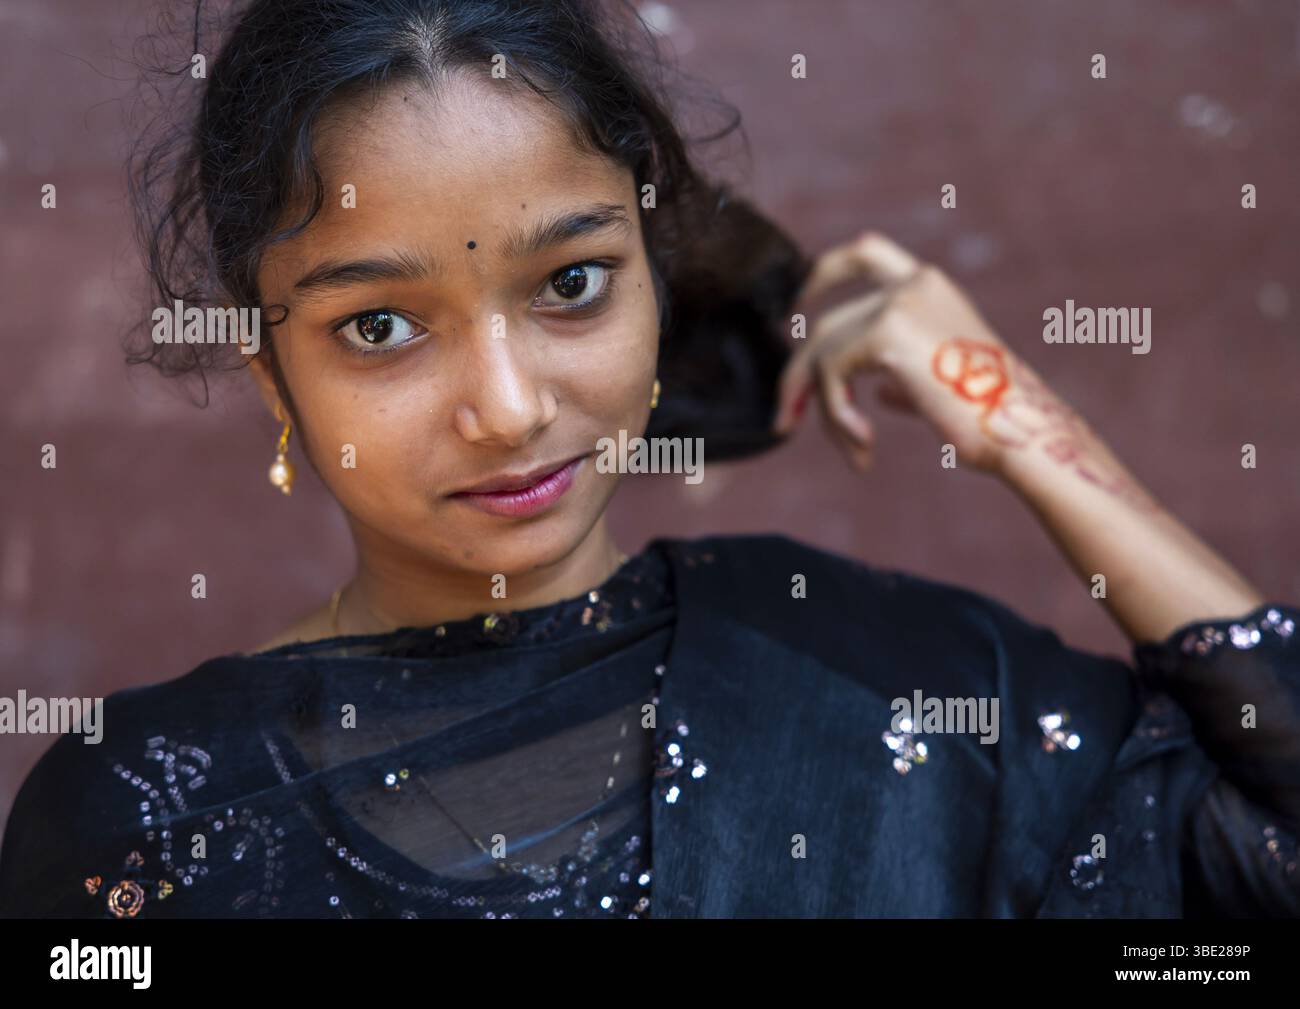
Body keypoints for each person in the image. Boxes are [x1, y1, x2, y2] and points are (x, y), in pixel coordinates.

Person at [0, 0, 1295, 918]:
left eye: (571, 282)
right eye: (379, 326)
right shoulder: (145, 819)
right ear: (266, 358)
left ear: (655, 281)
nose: (506, 408)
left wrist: (1013, 418)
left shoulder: (891, 685)